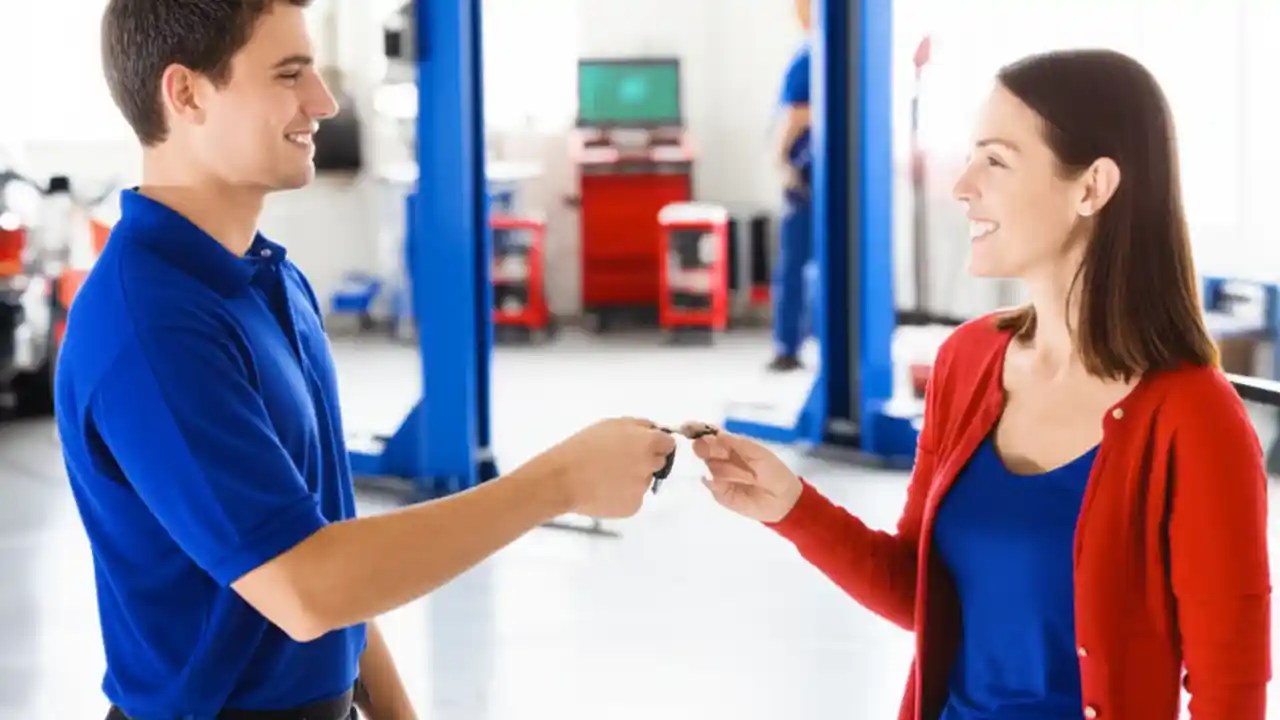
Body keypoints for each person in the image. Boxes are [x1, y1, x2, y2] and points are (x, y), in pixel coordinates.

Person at [56, 2, 676, 719]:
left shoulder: (269, 280)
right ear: (186, 93)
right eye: (290, 74)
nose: (321, 102)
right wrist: (560, 481)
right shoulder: (153, 325)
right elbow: (307, 587)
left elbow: (328, 543)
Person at [696, 49, 1271, 720]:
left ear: (1092, 188)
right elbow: (919, 586)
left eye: (995, 161)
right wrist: (791, 505)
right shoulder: (967, 361)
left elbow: (1229, 694)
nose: (962, 184)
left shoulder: (1194, 418)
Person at [768, 0, 814, 372]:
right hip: (817, 173)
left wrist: (781, 160)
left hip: (806, 174)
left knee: (796, 262)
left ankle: (788, 346)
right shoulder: (817, 53)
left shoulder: (809, 56)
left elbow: (798, 116)